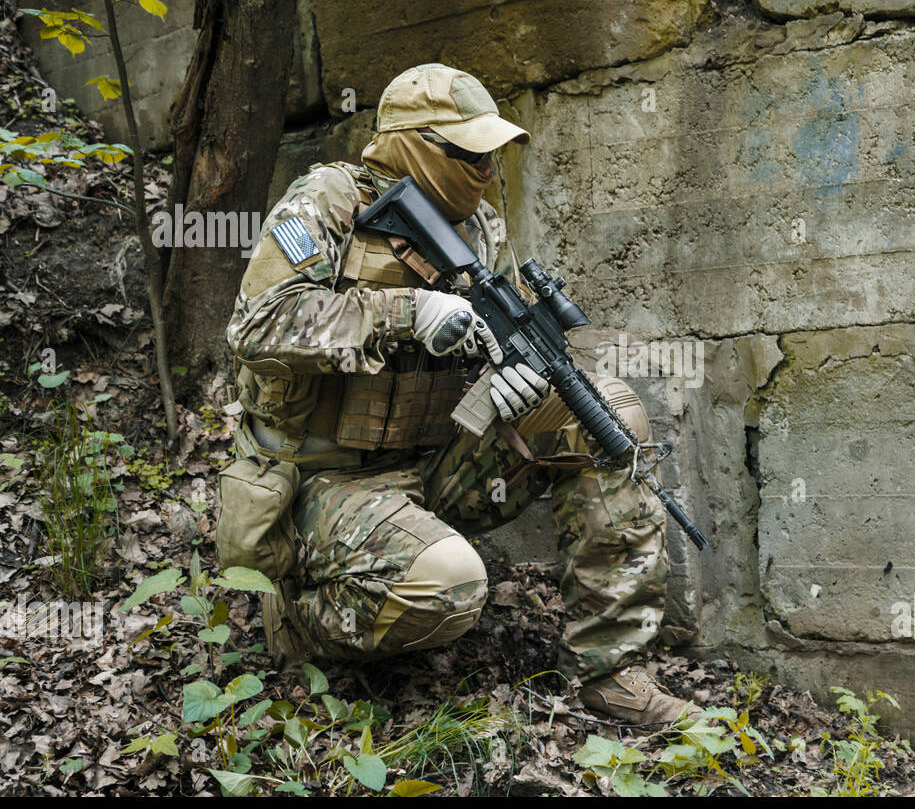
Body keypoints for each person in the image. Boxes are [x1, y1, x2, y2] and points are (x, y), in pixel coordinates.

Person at [219, 63, 699, 724]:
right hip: (321, 484)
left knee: (607, 416)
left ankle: (610, 672)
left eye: (491, 154)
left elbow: (477, 361)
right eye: (469, 153)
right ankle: (303, 615)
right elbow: (257, 327)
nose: (485, 169)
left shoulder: (478, 233)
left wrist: (500, 387)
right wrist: (404, 313)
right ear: (414, 144)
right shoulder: (332, 200)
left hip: (435, 463)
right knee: (450, 585)